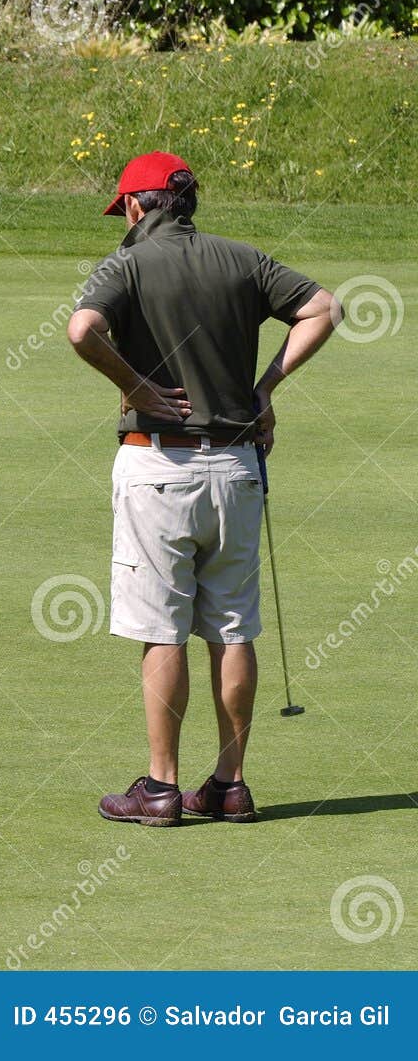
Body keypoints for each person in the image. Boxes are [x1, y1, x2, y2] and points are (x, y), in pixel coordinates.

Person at [67, 151, 341, 826]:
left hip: (158, 469)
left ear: (136, 206)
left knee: (162, 629)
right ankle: (229, 783)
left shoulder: (127, 263)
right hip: (238, 469)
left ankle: (160, 788)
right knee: (231, 626)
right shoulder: (241, 258)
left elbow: (82, 329)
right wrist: (264, 387)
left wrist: (132, 384)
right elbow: (324, 308)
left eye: (123, 208)